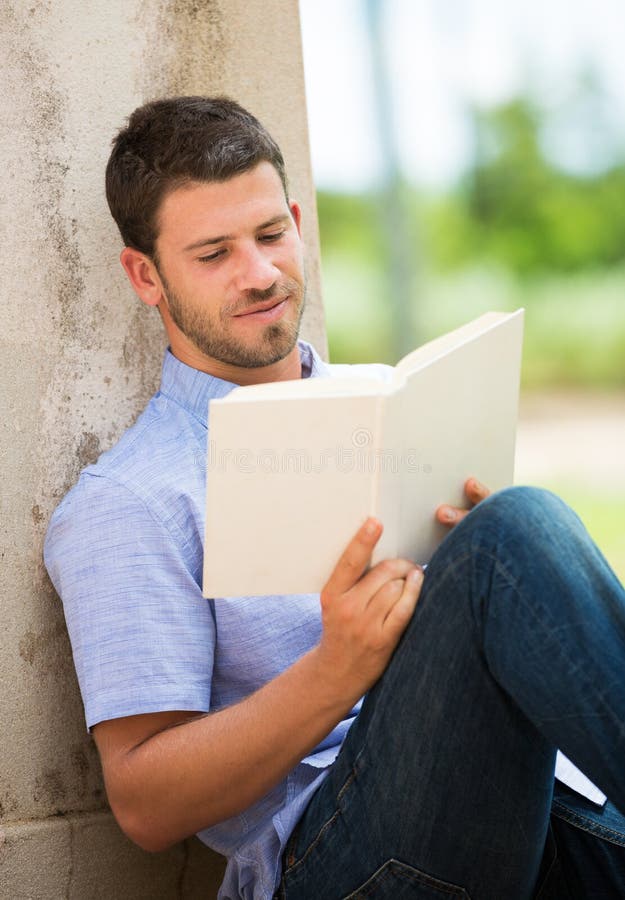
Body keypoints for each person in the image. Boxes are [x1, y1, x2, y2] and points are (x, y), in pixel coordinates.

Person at [44, 96, 625, 900]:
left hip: (537, 803)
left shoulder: (389, 404)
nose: (259, 274)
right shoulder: (131, 501)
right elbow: (144, 803)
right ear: (146, 274)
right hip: (339, 858)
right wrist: (334, 670)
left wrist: (476, 566)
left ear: (295, 220)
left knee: (505, 530)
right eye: (212, 253)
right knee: (512, 533)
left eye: (271, 235)